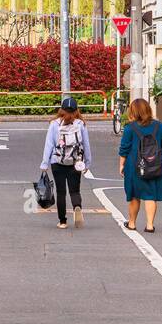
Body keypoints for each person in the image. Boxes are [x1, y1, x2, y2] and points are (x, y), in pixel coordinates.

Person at [118, 98, 162, 231]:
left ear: (133, 111)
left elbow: (124, 149)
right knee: (150, 194)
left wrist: (121, 165)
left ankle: (132, 223)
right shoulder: (159, 126)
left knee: (134, 195)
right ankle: (150, 225)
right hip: (154, 164)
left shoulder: (130, 128)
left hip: (134, 165)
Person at [40, 94, 92, 229]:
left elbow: (49, 145)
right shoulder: (80, 124)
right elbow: (86, 144)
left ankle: (62, 221)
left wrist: (44, 163)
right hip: (75, 162)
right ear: (76, 111)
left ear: (61, 110)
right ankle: (77, 206)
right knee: (75, 191)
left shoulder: (54, 124)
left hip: (57, 161)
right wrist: (87, 162)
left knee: (61, 192)